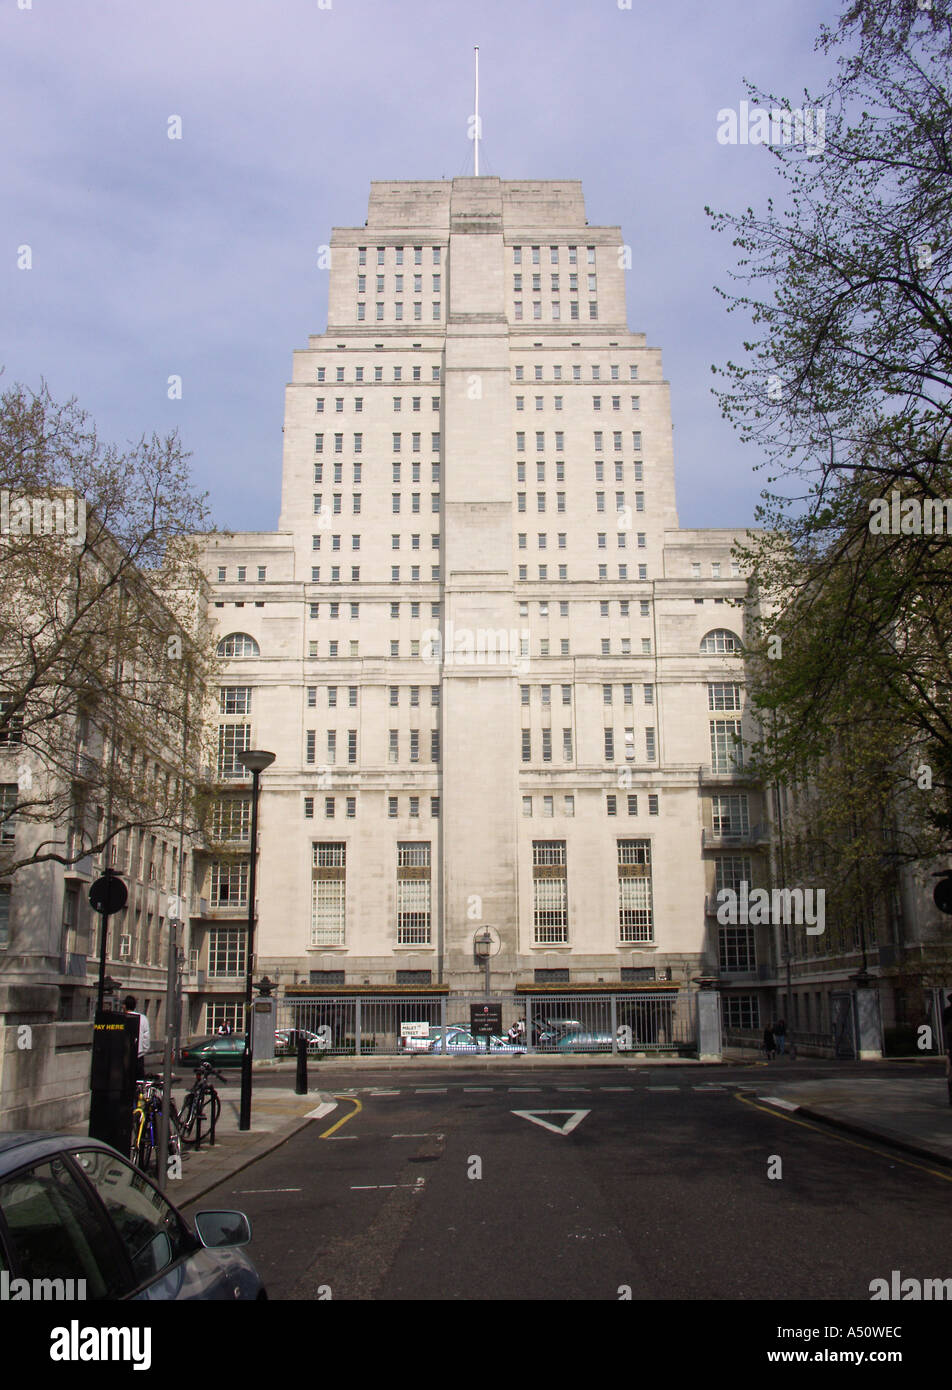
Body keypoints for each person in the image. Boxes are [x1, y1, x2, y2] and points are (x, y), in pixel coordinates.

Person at [123, 995, 151, 1080]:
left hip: (123, 1056)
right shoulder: (142, 1018)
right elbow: (146, 1038)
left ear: (124, 1006)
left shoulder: (121, 1018)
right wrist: (143, 1051)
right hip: (138, 1055)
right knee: (138, 1081)